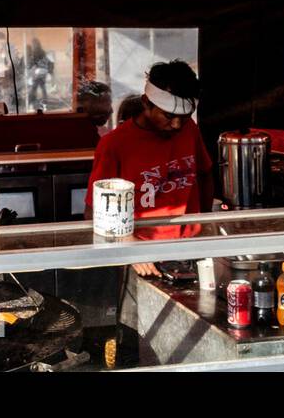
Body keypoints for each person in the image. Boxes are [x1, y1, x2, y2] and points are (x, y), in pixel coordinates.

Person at [85, 60, 213, 274]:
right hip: (142, 256)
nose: (176, 125)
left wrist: (206, 224)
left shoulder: (189, 129)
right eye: (169, 116)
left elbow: (205, 173)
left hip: (191, 248)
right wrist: (129, 247)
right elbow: (94, 212)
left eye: (184, 117)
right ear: (146, 103)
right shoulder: (115, 145)